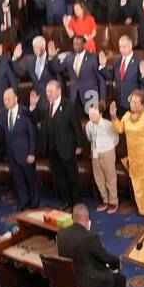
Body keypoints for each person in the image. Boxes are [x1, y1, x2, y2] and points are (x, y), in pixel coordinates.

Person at [56, 203, 130, 287]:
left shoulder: (61, 234)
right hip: (85, 285)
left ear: (73, 218)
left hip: (67, 281)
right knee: (119, 279)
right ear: (87, 219)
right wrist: (117, 263)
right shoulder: (89, 237)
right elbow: (104, 257)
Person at [108, 90, 144, 216]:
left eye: (136, 103)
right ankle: (143, 209)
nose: (132, 105)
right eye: (132, 102)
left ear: (143, 105)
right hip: (134, 157)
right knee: (138, 183)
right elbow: (119, 129)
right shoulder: (127, 116)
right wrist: (113, 116)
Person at [33, 80, 85, 209]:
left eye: (51, 91)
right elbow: (36, 119)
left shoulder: (68, 105)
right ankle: (66, 201)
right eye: (47, 91)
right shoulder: (45, 105)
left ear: (59, 91)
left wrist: (79, 145)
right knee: (59, 177)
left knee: (71, 175)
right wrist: (33, 106)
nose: (48, 94)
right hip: (52, 149)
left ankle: (76, 202)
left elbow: (76, 127)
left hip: (66, 148)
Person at [0, 87, 36, 213]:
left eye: (8, 99)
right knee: (18, 179)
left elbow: (32, 134)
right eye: (4, 99)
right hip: (11, 153)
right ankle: (24, 202)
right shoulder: (1, 113)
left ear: (16, 99)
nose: (6, 101)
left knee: (30, 178)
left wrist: (32, 152)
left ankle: (34, 202)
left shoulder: (24, 112)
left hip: (26, 152)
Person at [83, 101, 120, 214]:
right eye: (90, 113)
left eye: (94, 113)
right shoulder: (88, 125)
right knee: (99, 179)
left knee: (110, 178)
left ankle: (113, 201)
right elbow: (89, 138)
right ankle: (105, 200)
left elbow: (115, 139)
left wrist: (107, 148)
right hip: (95, 153)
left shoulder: (108, 124)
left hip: (107, 152)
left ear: (100, 113)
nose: (91, 116)